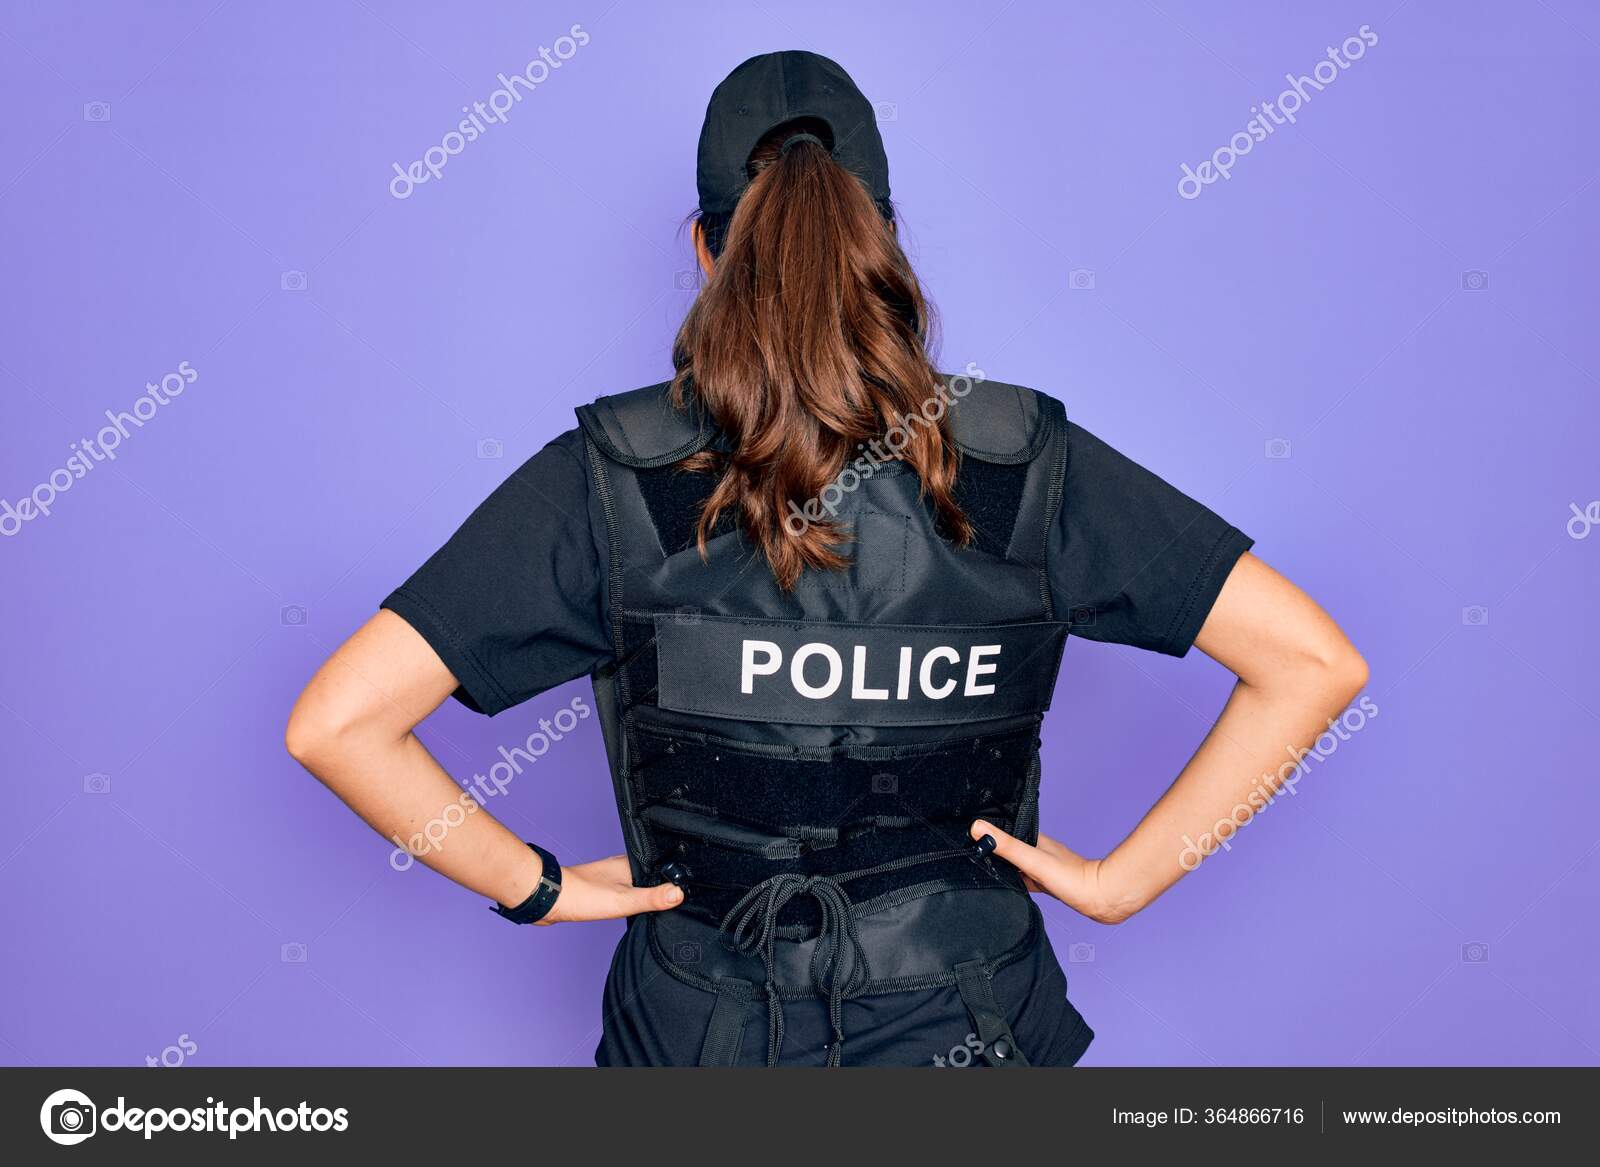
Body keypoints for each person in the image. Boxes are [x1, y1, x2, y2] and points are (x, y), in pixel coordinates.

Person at [286, 50, 1366, 1067]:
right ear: (883, 240)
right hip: (975, 1026)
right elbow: (1313, 665)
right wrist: (1122, 884)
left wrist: (535, 888)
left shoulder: (612, 475)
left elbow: (337, 725)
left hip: (698, 1038)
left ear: (708, 251)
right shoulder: (1016, 461)